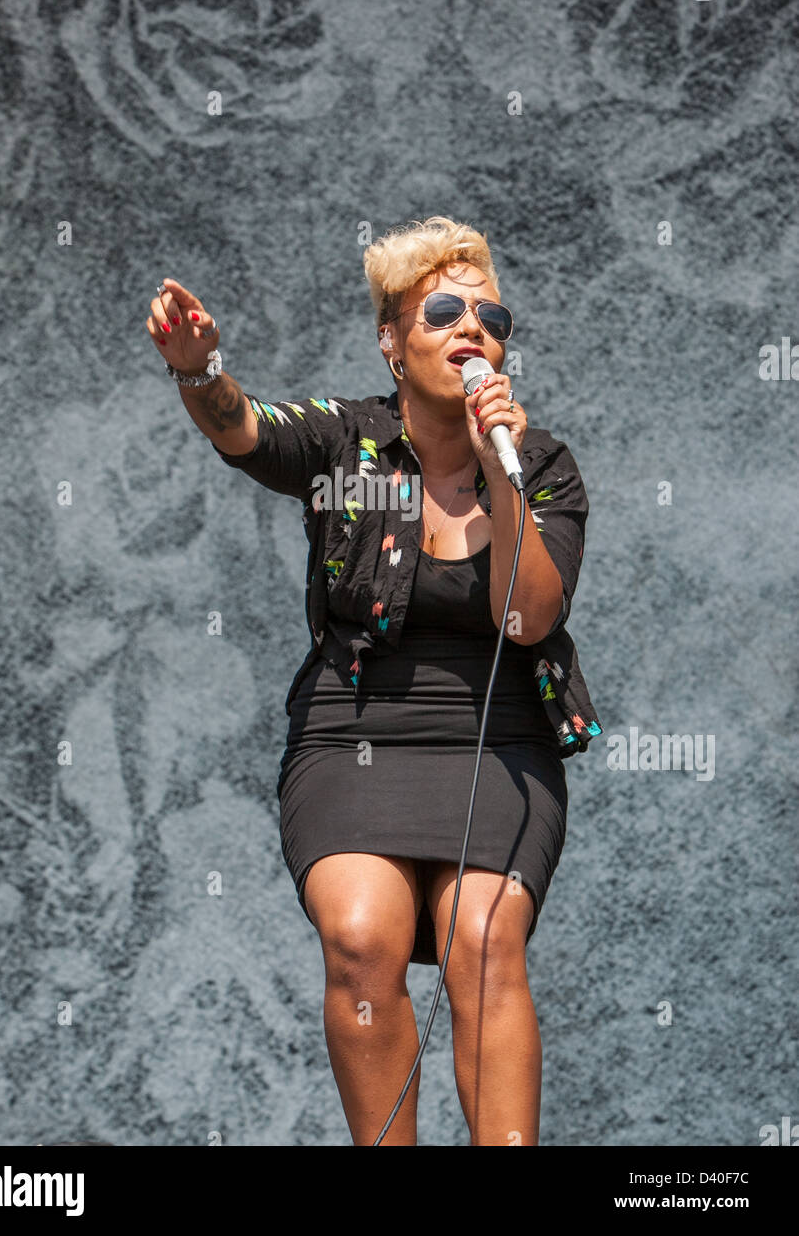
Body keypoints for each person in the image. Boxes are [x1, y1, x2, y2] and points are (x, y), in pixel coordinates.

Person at [145, 215, 601, 1147]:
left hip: (498, 735)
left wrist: (497, 470)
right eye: (440, 311)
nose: (470, 329)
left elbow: (530, 616)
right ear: (391, 340)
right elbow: (246, 431)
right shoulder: (345, 446)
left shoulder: (538, 462)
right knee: (360, 940)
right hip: (354, 733)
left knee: (481, 942)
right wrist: (200, 370)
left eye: (489, 315)